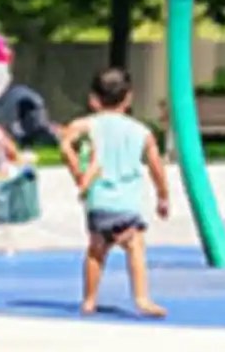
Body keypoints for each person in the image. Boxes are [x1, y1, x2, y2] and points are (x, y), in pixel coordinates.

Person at [59, 68, 169, 318]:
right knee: (135, 247)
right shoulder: (141, 132)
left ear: (93, 99)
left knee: (96, 251)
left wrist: (78, 174)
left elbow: (65, 146)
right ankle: (142, 298)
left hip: (98, 201)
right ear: (128, 98)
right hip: (127, 204)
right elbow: (156, 167)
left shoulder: (86, 125)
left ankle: (89, 299)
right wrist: (163, 196)